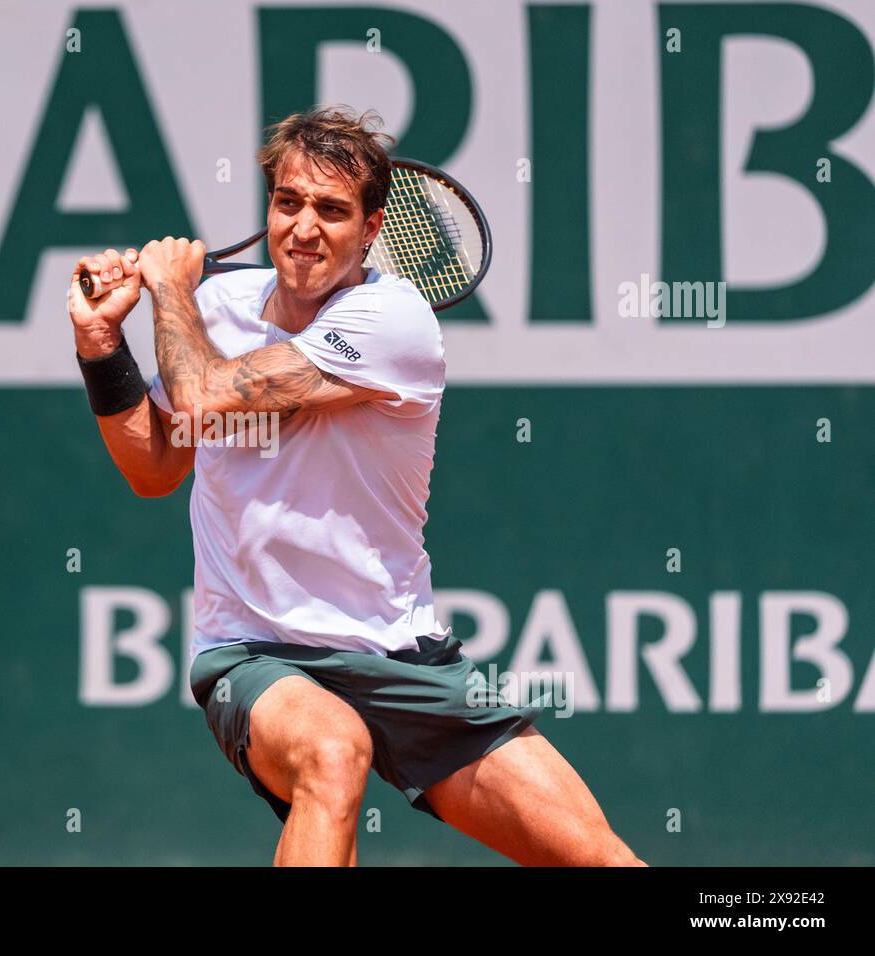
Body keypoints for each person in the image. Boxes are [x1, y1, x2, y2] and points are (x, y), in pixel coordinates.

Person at [67, 106, 645, 867]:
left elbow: (206, 397)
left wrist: (169, 292)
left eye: (332, 210)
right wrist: (102, 345)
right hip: (253, 647)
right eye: (288, 202)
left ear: (372, 229)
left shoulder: (392, 320)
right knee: (333, 752)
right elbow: (155, 469)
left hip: (400, 653)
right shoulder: (219, 310)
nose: (304, 227)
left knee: (604, 862)